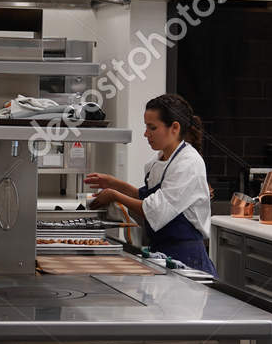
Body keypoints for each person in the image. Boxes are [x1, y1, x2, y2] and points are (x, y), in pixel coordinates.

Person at [85, 93, 216, 273]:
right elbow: (146, 197)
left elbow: (153, 210)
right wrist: (113, 183)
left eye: (152, 128)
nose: (146, 134)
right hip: (162, 253)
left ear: (174, 128)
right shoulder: (158, 160)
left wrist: (114, 195)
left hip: (186, 258)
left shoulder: (188, 163)